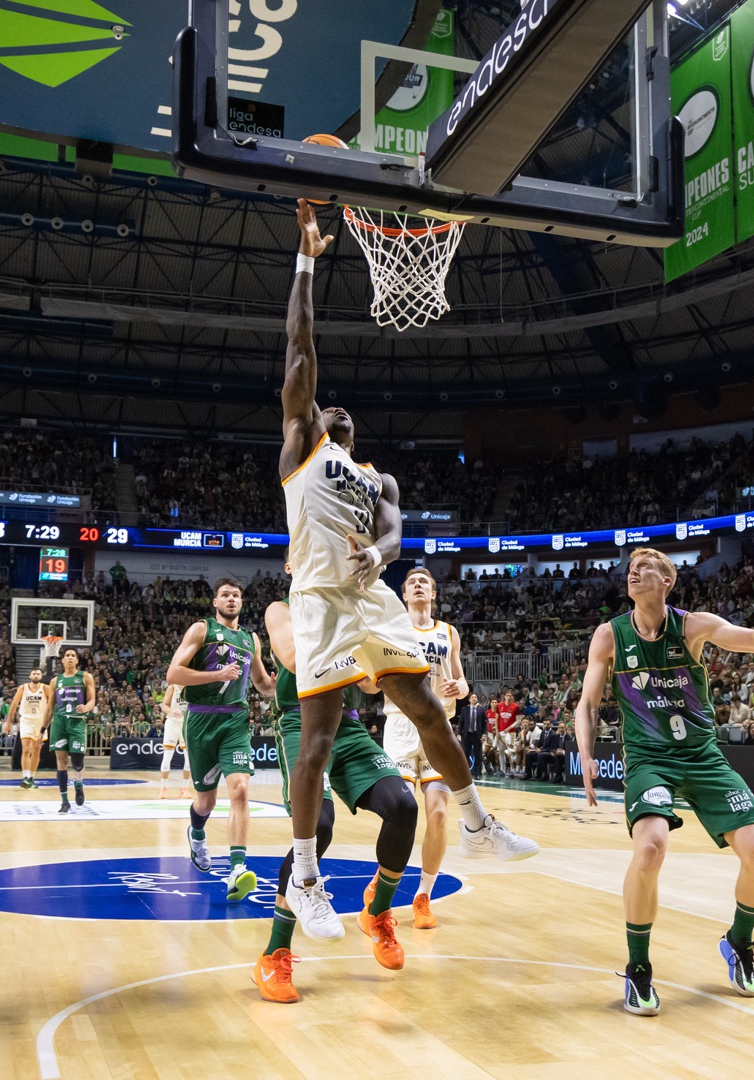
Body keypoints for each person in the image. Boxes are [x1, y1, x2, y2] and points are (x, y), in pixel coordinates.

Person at [275, 200, 536, 946]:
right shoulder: (302, 446)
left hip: (372, 595)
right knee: (319, 740)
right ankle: (304, 875)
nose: (338, 408)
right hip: (321, 600)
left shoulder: (375, 478)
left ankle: (481, 824)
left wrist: (384, 555)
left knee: (425, 705)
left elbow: (394, 527)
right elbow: (299, 348)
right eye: (330, 405)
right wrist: (307, 262)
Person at [574, 547, 754, 1017]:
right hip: (649, 757)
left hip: (701, 755)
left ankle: (739, 942)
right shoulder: (610, 635)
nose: (634, 571)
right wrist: (586, 754)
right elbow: (587, 705)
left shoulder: (692, 625)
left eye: (646, 566)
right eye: (631, 567)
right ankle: (638, 969)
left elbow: (751, 641)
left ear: (667, 581)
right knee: (649, 848)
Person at [253, 594, 417, 1002]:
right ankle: (274, 954)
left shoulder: (354, 610)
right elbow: (293, 657)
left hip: (348, 726)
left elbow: (370, 683)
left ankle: (376, 912)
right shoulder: (281, 610)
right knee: (318, 828)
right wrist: (358, 647)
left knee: (403, 805)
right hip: (299, 722)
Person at [166, 578, 273, 901]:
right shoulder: (201, 630)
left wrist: (289, 682)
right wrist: (216, 674)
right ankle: (197, 833)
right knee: (206, 801)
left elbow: (263, 683)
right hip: (200, 720)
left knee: (240, 790)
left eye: (236, 595)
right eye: (225, 595)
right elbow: (173, 674)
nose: (231, 599)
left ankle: (237, 867)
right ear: (215, 602)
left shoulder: (250, 639)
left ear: (242, 602)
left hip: (235, 721)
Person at [381, 566, 467, 930]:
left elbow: (461, 681)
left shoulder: (449, 632)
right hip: (401, 726)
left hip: (439, 727)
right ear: (404, 595)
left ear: (433, 594)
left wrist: (459, 689)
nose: (418, 586)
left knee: (439, 814)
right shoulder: (392, 628)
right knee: (400, 812)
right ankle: (382, 889)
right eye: (412, 582)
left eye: (424, 583)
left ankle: (423, 896)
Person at [48, 648, 96, 813]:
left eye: (72, 656)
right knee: (60, 760)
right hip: (59, 722)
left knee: (77, 762)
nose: (69, 658)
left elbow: (92, 700)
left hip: (76, 722)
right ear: (62, 660)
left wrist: (86, 707)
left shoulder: (85, 677)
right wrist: (41, 729)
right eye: (66, 655)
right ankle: (64, 801)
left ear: (77, 660)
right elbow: (49, 707)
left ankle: (78, 783)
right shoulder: (55, 681)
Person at [3, 668, 51, 790]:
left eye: (38, 674)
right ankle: (25, 777)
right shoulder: (23, 688)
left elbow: (52, 704)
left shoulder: (46, 688)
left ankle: (31, 778)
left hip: (40, 721)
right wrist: (8, 722)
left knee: (36, 750)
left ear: (41, 676)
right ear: (30, 676)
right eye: (34, 673)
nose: (36, 675)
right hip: (26, 720)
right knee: (26, 748)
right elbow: (14, 704)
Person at [157, 681, 191, 800]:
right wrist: (172, 711)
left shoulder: (191, 686)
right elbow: (164, 705)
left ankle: (185, 789)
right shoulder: (173, 687)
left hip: (187, 723)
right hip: (172, 723)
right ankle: (163, 788)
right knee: (167, 758)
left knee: (189, 759)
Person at [458, 693, 488, 777]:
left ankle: (477, 773)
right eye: (472, 697)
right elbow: (461, 722)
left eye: (475, 697)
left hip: (477, 735)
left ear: (477, 699)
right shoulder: (465, 709)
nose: (474, 698)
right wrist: (459, 733)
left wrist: (484, 734)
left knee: (478, 754)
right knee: (465, 754)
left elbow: (485, 723)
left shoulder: (481, 709)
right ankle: (465, 774)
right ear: (469, 699)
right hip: (467, 735)